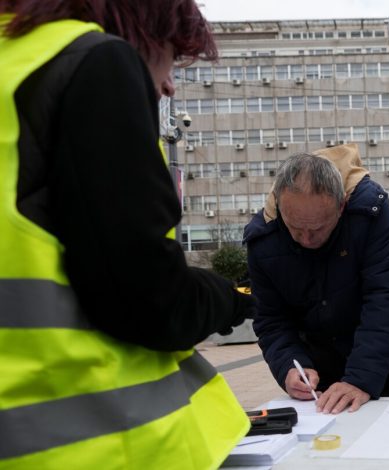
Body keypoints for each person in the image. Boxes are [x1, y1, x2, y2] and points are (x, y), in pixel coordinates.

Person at [0, 1, 255, 467]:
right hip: (98, 446)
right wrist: (230, 299)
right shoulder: (91, 61)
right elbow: (148, 296)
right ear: (140, 23)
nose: (169, 84)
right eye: (171, 56)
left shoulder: (12, 68)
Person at [244, 145, 389, 414]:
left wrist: (361, 379)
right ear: (280, 206)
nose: (306, 239)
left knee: (379, 427)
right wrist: (289, 365)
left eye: (318, 228)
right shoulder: (263, 238)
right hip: (314, 355)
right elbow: (271, 319)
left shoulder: (369, 211)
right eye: (295, 228)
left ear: (341, 206)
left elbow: (386, 298)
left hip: (378, 352)